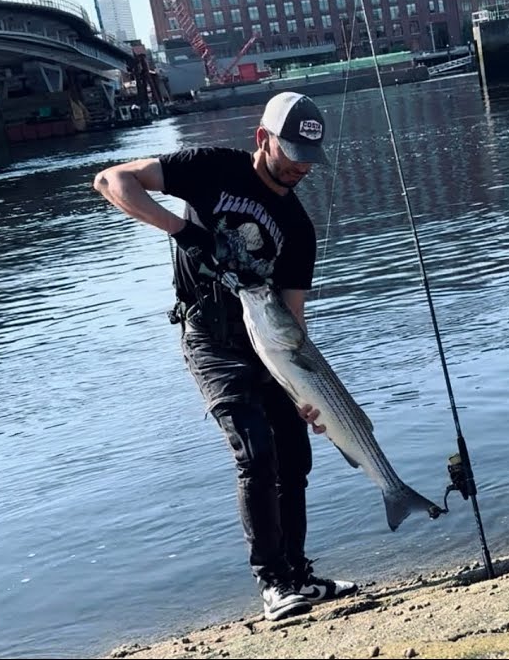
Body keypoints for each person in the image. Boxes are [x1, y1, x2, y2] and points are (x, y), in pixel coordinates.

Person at [92, 92, 358, 622]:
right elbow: (111, 180)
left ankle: (299, 576)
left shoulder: (298, 227)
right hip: (210, 339)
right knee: (255, 452)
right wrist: (186, 232)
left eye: (310, 158)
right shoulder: (211, 167)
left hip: (270, 350)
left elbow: (294, 319)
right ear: (263, 139)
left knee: (294, 457)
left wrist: (304, 389)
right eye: (291, 155)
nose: (301, 168)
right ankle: (272, 584)